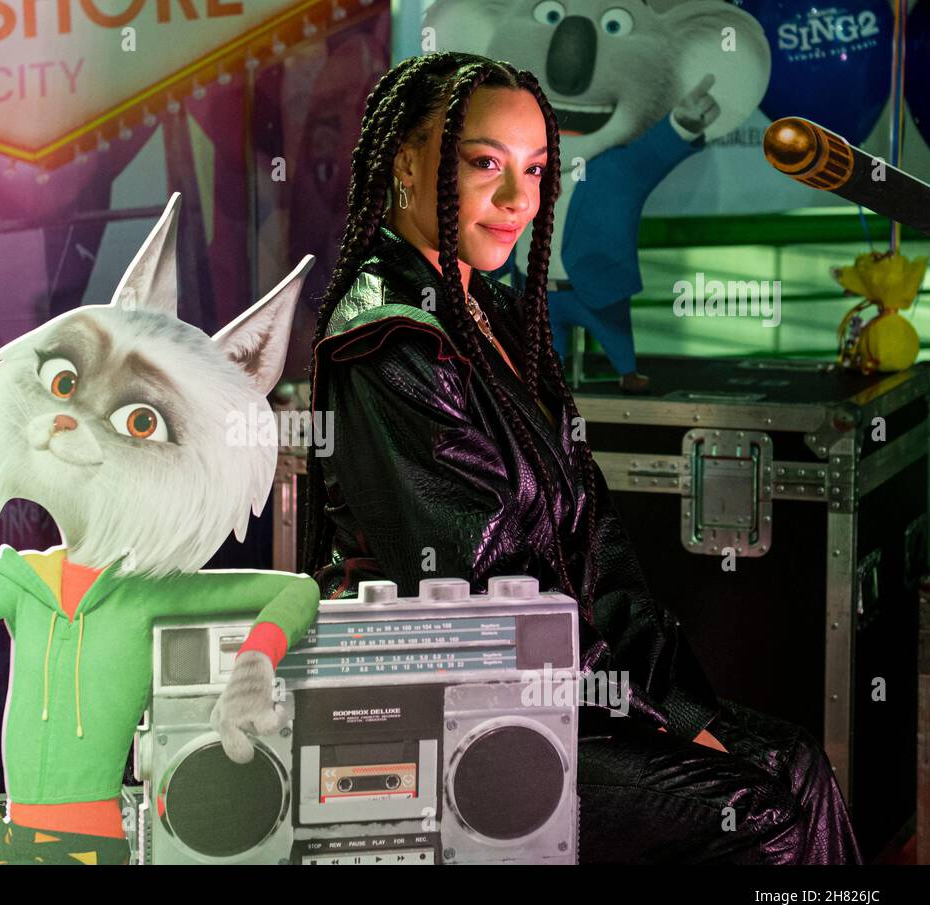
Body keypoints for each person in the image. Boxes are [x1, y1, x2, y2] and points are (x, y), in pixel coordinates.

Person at [300, 51, 861, 863]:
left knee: (794, 762)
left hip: (557, 685)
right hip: (456, 711)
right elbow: (486, 593)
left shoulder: (490, 311)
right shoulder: (387, 341)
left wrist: (680, 708)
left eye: (533, 170)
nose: (516, 199)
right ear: (408, 162)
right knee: (757, 809)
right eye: (485, 163)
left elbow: (597, 542)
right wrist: (641, 713)